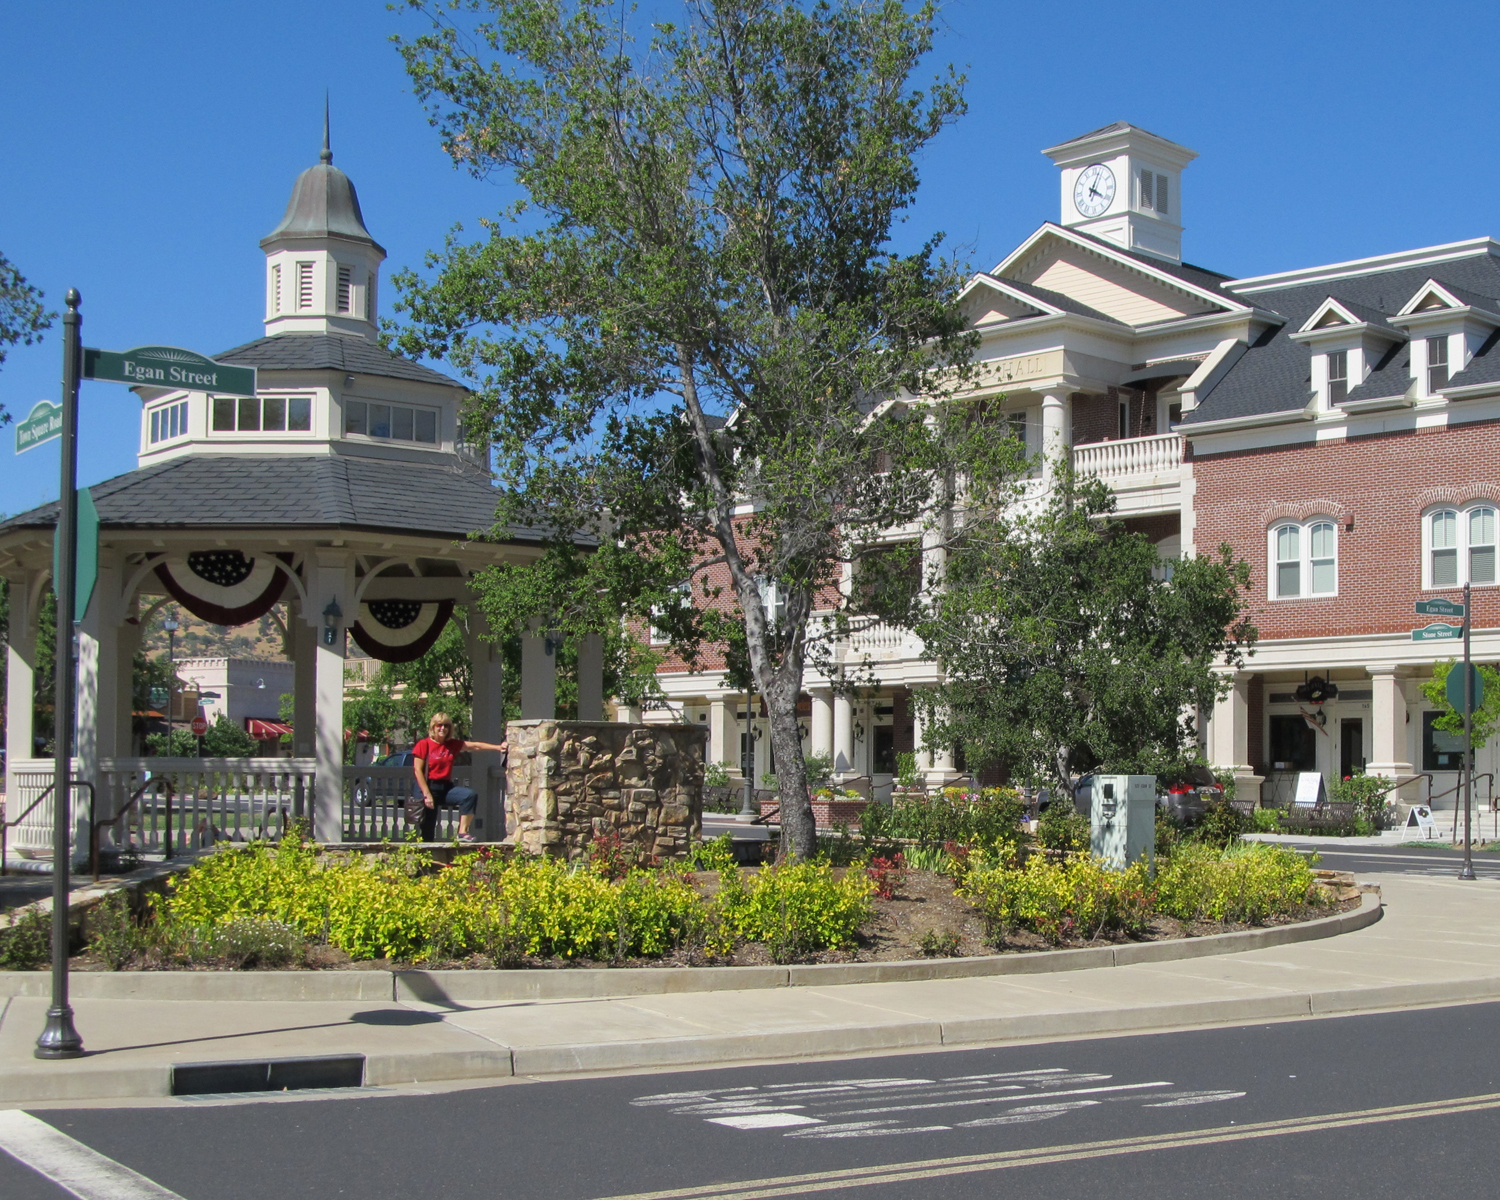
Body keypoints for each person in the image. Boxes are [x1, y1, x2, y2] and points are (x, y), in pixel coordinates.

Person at [411, 713, 507, 843]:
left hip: (444, 787)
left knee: (468, 796)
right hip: (427, 787)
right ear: (433, 727)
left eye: (446, 726)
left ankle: (462, 832)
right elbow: (418, 770)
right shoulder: (424, 744)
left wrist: (498, 747)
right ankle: (424, 860)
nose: (442, 728)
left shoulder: (452, 744)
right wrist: (427, 794)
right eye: (439, 725)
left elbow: (475, 746)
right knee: (427, 830)